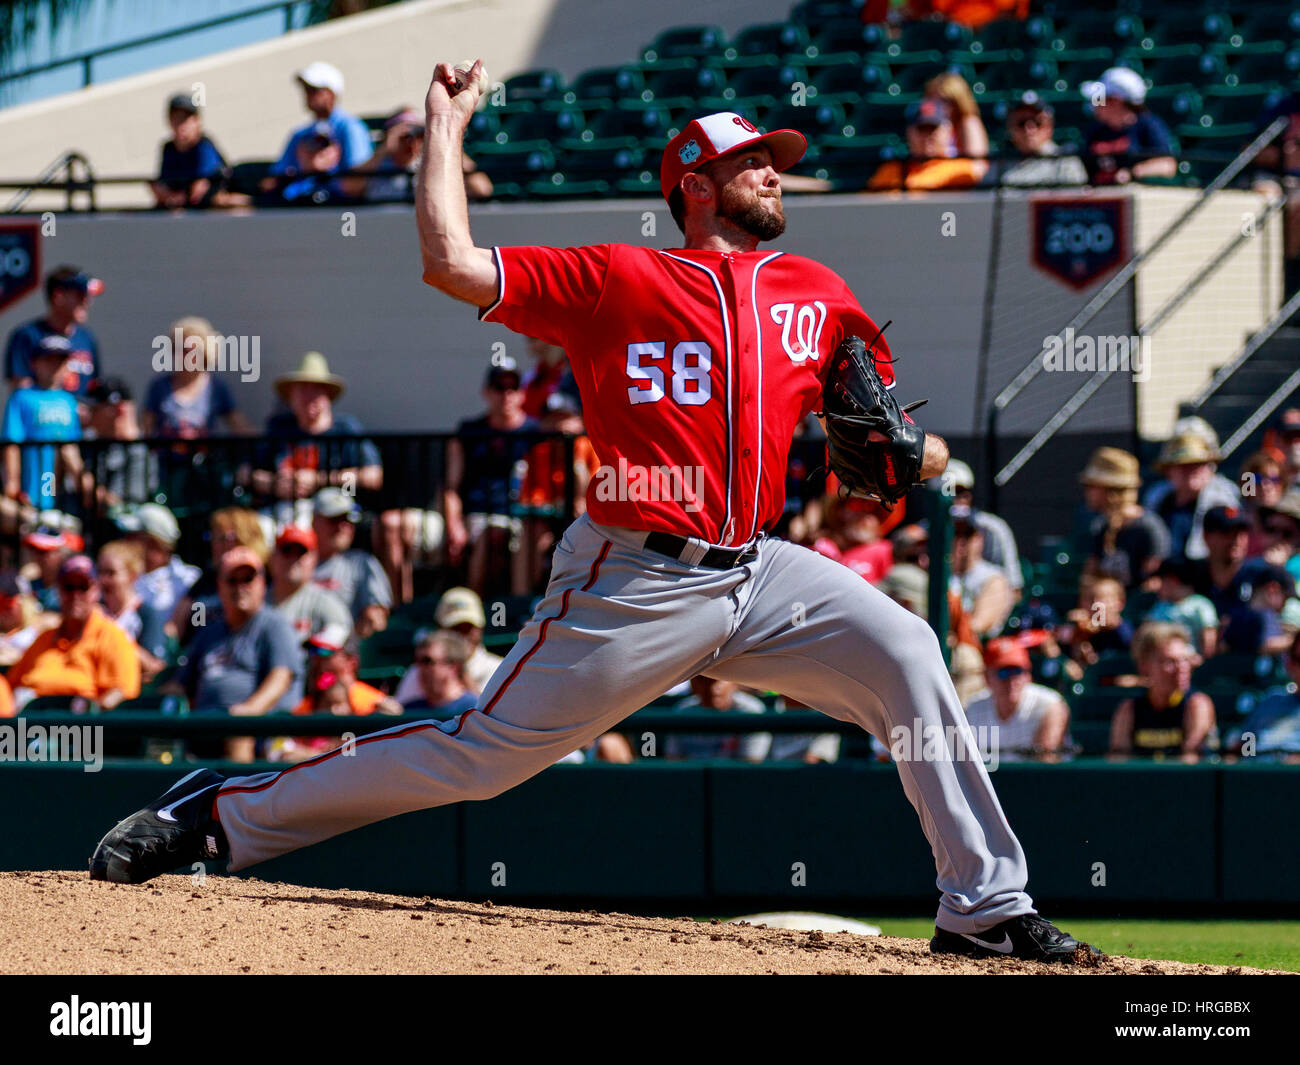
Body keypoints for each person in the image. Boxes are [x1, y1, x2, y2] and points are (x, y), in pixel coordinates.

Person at [90, 73, 1094, 964]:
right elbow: (450, 261)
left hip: (759, 571)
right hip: (635, 578)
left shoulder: (816, 292)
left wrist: (917, 452)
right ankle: (218, 815)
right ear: (694, 184)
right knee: (481, 756)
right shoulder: (616, 276)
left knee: (910, 650)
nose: (773, 173)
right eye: (751, 161)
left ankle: (983, 907)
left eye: (773, 159)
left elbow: (869, 427)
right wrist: (446, 127)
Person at [164, 546, 300, 762]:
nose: (240, 587)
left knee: (239, 733)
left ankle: (238, 783)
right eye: (232, 581)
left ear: (262, 583)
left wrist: (249, 710)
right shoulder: (208, 632)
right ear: (220, 586)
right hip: (204, 725)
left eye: (248, 579)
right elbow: (181, 684)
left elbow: (281, 678)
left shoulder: (274, 624)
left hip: (257, 728)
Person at [444, 355, 539, 596]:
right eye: (499, 387)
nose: (506, 394)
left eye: (513, 387)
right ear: (486, 392)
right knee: (490, 533)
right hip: (476, 515)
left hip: (523, 516)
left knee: (515, 535)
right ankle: (477, 605)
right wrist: (454, 525)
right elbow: (451, 487)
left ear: (522, 393)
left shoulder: (536, 433)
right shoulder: (469, 431)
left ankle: (519, 606)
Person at [253, 352, 383, 526]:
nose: (309, 398)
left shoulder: (346, 429)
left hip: (332, 511)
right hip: (280, 512)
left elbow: (373, 476)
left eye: (316, 390)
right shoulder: (278, 428)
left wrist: (318, 480)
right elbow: (247, 473)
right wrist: (275, 484)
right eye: (303, 390)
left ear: (328, 396)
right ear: (291, 397)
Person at [7, 555, 139, 709]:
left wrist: (92, 711)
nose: (75, 595)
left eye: (83, 587)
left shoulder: (112, 636)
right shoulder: (44, 639)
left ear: (96, 590)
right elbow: (9, 686)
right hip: (29, 720)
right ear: (58, 591)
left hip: (81, 721)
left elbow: (121, 691)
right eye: (68, 587)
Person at [270, 626, 402, 763]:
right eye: (314, 653)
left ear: (351, 663)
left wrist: (312, 755)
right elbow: (278, 751)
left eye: (325, 653)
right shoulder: (306, 706)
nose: (317, 661)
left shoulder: (373, 702)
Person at [265, 62, 372, 201]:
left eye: (314, 90)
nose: (307, 94)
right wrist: (302, 170)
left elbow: (358, 184)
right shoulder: (299, 134)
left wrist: (325, 171)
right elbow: (269, 183)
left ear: (331, 94)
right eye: (306, 89)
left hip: (337, 209)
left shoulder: (351, 128)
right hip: (297, 207)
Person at [1109, 621, 1216, 761]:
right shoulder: (1128, 710)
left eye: (1185, 660)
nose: (1181, 668)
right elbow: (1118, 761)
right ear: (1144, 666)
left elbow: (1190, 762)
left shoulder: (1196, 705)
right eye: (1170, 661)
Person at [2, 335, 83, 512]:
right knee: (30, 515)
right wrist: (12, 482)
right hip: (30, 479)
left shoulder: (69, 401)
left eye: (60, 360)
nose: (54, 366)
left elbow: (73, 449)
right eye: (48, 360)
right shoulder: (21, 397)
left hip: (57, 481)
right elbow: (11, 443)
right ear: (35, 363)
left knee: (52, 510)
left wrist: (81, 482)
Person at [962, 638, 1069, 763]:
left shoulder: (1049, 705)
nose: (1012, 681)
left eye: (1017, 671)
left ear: (1028, 675)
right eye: (1003, 673)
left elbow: (1045, 764)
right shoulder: (972, 708)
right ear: (986, 677)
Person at [142, 317, 251, 438]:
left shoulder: (217, 387)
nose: (183, 356)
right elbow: (145, 431)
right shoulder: (159, 386)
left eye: (189, 350)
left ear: (205, 352)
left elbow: (240, 428)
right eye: (177, 349)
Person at [1078, 447, 1169, 589]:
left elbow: (1153, 583)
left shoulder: (1148, 528)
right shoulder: (1101, 526)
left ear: (1111, 491)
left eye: (1091, 486)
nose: (1087, 493)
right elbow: (1091, 574)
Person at [359, 106, 492, 203]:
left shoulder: (437, 164)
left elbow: (482, 189)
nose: (411, 142)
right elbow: (350, 188)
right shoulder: (376, 165)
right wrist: (383, 150)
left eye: (418, 135)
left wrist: (448, 146)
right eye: (403, 137)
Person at [393, 586, 503, 703]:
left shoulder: (498, 669)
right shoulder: (420, 669)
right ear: (439, 629)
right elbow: (402, 710)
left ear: (480, 629)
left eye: (468, 628)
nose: (462, 636)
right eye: (454, 629)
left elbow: (488, 712)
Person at [3, 265, 102, 396]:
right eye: (80, 295)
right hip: (44, 408)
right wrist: (59, 405)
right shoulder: (28, 335)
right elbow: (21, 390)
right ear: (58, 296)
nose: (86, 302)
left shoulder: (86, 338)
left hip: (80, 409)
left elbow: (94, 387)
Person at [310, 488, 392, 638]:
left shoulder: (361, 563)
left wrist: (350, 645)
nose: (342, 527)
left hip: (343, 647)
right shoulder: (293, 559)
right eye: (334, 519)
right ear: (313, 521)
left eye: (349, 520)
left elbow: (377, 619)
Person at [1145, 432, 1239, 561]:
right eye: (1182, 465)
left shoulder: (1224, 502)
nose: (1191, 470)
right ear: (1168, 471)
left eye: (1198, 464)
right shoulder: (1157, 502)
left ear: (1210, 469)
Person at [1079, 66, 1177, 186]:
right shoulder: (1095, 130)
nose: (1094, 105)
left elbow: (1167, 165)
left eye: (1099, 99)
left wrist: (1132, 173)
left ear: (1116, 101)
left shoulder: (1148, 125)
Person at [867, 98, 989, 191]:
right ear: (909, 133)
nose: (928, 136)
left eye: (933, 128)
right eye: (922, 129)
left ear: (948, 131)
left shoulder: (960, 170)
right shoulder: (891, 170)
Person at [942, 459, 1022, 595]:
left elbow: (1014, 587)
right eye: (951, 492)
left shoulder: (994, 528)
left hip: (984, 595)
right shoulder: (926, 530)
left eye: (963, 492)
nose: (959, 498)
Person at [150, 93, 243, 209]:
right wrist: (165, 194)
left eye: (185, 119)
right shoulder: (168, 149)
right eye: (177, 119)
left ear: (197, 122)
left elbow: (201, 188)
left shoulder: (204, 146)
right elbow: (164, 183)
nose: (181, 125)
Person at [267, 524, 352, 646]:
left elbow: (340, 634)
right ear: (273, 557)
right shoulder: (257, 602)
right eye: (287, 550)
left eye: (301, 552)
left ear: (314, 558)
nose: (293, 559)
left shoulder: (326, 603)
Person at [1226, 632, 1300, 761]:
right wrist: (1235, 759)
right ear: (1289, 663)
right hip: (1256, 768)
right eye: (1298, 659)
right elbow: (1245, 744)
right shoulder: (1272, 699)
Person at [665, 674, 770, 761]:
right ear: (693, 683)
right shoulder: (683, 710)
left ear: (734, 683)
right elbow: (674, 759)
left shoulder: (750, 711)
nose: (713, 688)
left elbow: (750, 764)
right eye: (705, 679)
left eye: (719, 680)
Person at [993, 92, 1087, 188]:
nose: (1029, 130)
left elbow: (1077, 196)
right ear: (1009, 128)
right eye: (1021, 123)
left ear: (1049, 126)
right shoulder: (999, 163)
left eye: (1037, 122)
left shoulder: (1065, 161)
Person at [950, 506, 1013, 639]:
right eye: (955, 533)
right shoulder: (938, 574)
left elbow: (978, 625)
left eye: (967, 535)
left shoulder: (993, 577)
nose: (961, 541)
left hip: (977, 645)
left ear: (979, 538)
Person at [1145, 559, 1218, 658]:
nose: (1158, 587)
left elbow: (1209, 637)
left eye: (1162, 581)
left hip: (1191, 660)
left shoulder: (1200, 604)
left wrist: (1203, 659)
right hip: (1163, 662)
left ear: (1172, 581)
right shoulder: (1160, 606)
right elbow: (1147, 635)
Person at [399, 630, 479, 719]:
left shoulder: (473, 710)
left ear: (453, 666)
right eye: (417, 661)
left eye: (427, 661)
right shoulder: (411, 710)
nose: (419, 668)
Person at [923, 72, 988, 160]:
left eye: (944, 101)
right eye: (934, 100)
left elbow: (978, 164)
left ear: (957, 101)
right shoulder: (937, 125)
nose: (939, 106)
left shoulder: (969, 123)